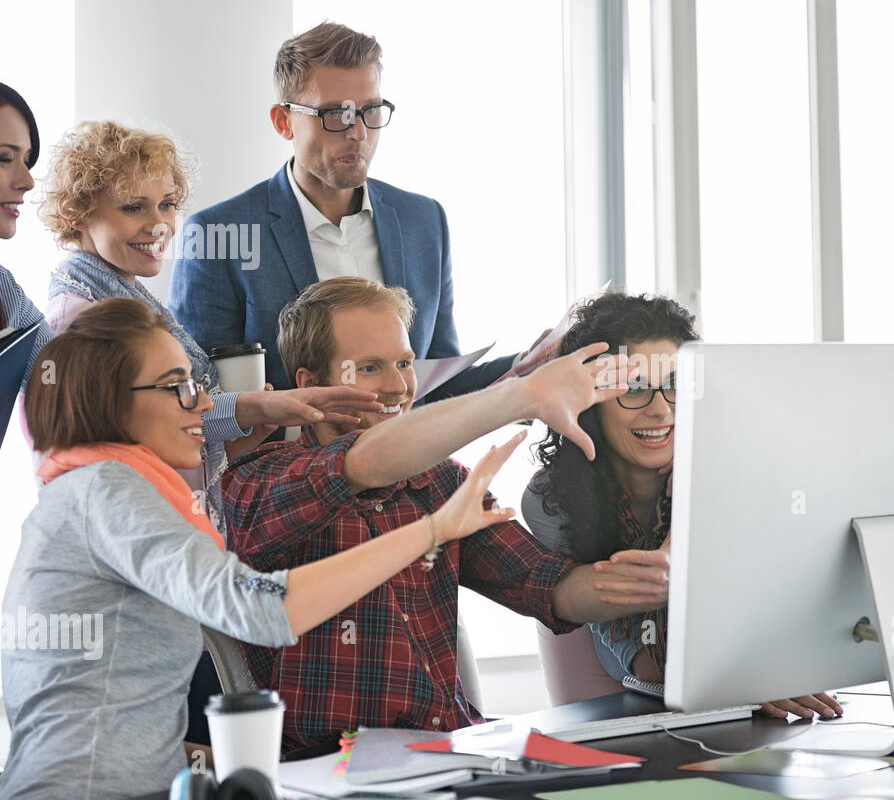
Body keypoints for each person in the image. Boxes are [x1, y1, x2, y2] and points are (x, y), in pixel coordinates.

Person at [0, 298, 526, 800]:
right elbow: (262, 609)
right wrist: (432, 529)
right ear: (112, 400)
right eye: (180, 388)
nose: (205, 404)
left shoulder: (92, 488)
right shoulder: (110, 492)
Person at [221, 277, 671, 756]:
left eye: (404, 363)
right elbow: (359, 462)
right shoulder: (261, 480)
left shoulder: (441, 482)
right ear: (311, 385)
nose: (398, 386)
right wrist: (522, 394)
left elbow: (546, 586)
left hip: (448, 748)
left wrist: (642, 585)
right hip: (330, 764)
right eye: (370, 368)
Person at [38, 120, 381, 532]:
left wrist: (253, 425)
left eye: (167, 204)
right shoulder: (76, 321)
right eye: (134, 207)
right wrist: (255, 407)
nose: (159, 223)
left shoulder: (132, 305)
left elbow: (175, 439)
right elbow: (136, 432)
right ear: (79, 214)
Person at [169, 20, 531, 399]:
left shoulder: (424, 222)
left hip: (408, 456)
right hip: (281, 458)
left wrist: (531, 366)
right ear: (283, 121)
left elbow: (437, 386)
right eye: (334, 114)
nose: (357, 132)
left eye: (370, 111)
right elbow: (201, 401)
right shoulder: (217, 235)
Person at [524, 292, 843, 720]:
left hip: (728, 687)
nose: (660, 410)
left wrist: (709, 489)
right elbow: (629, 645)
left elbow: (771, 602)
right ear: (592, 401)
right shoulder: (551, 498)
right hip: (607, 705)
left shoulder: (740, 467)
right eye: (634, 388)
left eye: (676, 384)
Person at [0, 83, 52, 388]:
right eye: (4, 158)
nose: (28, 181)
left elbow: (64, 381)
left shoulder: (4, 292)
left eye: (27, 160)